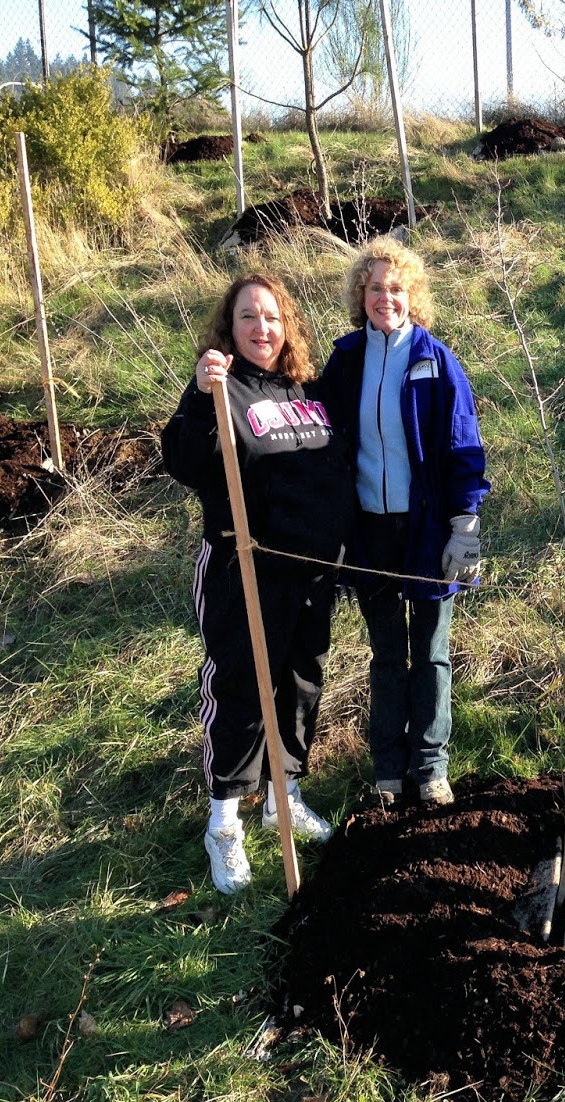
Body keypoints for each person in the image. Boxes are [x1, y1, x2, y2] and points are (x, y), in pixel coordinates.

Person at [162, 273, 354, 895]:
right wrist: (201, 394)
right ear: (230, 326)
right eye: (248, 317)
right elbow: (187, 463)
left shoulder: (306, 390)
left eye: (271, 317)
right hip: (244, 570)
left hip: (312, 572)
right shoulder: (222, 387)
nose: (261, 328)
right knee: (243, 687)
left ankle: (282, 796)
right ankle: (224, 822)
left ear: (286, 325)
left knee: (300, 681)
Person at [321, 238, 490, 808]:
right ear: (360, 294)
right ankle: (388, 773)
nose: (385, 298)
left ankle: (432, 768)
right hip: (370, 532)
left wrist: (464, 526)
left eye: (396, 288)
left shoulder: (437, 360)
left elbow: (464, 445)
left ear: (412, 294)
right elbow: (325, 446)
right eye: (375, 288)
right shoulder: (345, 360)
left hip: (428, 531)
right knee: (387, 655)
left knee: (432, 653)